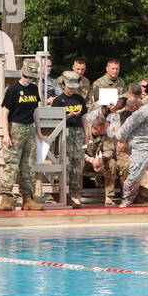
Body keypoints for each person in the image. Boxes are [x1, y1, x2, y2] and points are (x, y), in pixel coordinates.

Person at [0, 59, 44, 210]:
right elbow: (5, 112)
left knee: (28, 165)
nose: (28, 80)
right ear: (22, 73)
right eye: (26, 76)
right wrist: (6, 134)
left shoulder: (34, 89)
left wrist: (39, 130)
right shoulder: (13, 90)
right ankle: (5, 197)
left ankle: (27, 198)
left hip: (29, 128)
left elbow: (35, 111)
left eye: (31, 77)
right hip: (15, 128)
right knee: (12, 164)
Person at [52, 71, 89, 207]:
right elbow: (55, 121)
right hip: (65, 133)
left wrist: (87, 134)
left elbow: (84, 117)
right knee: (66, 165)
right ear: (63, 85)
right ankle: (64, 194)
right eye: (69, 87)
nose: (72, 89)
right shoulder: (58, 101)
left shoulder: (79, 99)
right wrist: (69, 115)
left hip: (78, 133)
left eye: (74, 87)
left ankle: (75, 194)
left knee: (78, 165)